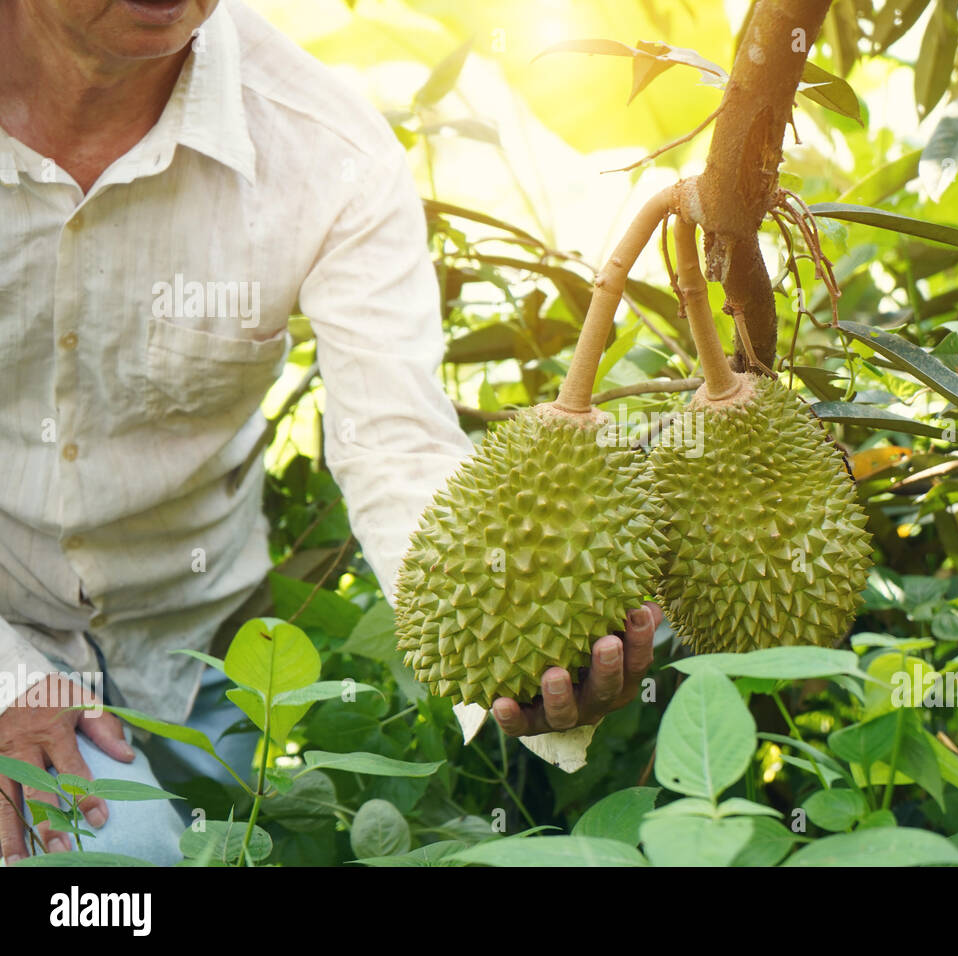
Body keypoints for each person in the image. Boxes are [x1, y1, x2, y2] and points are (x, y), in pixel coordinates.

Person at [0, 0, 660, 866]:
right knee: (112, 870)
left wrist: (512, 659)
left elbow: (398, 449)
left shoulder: (325, 148)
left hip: (207, 659)